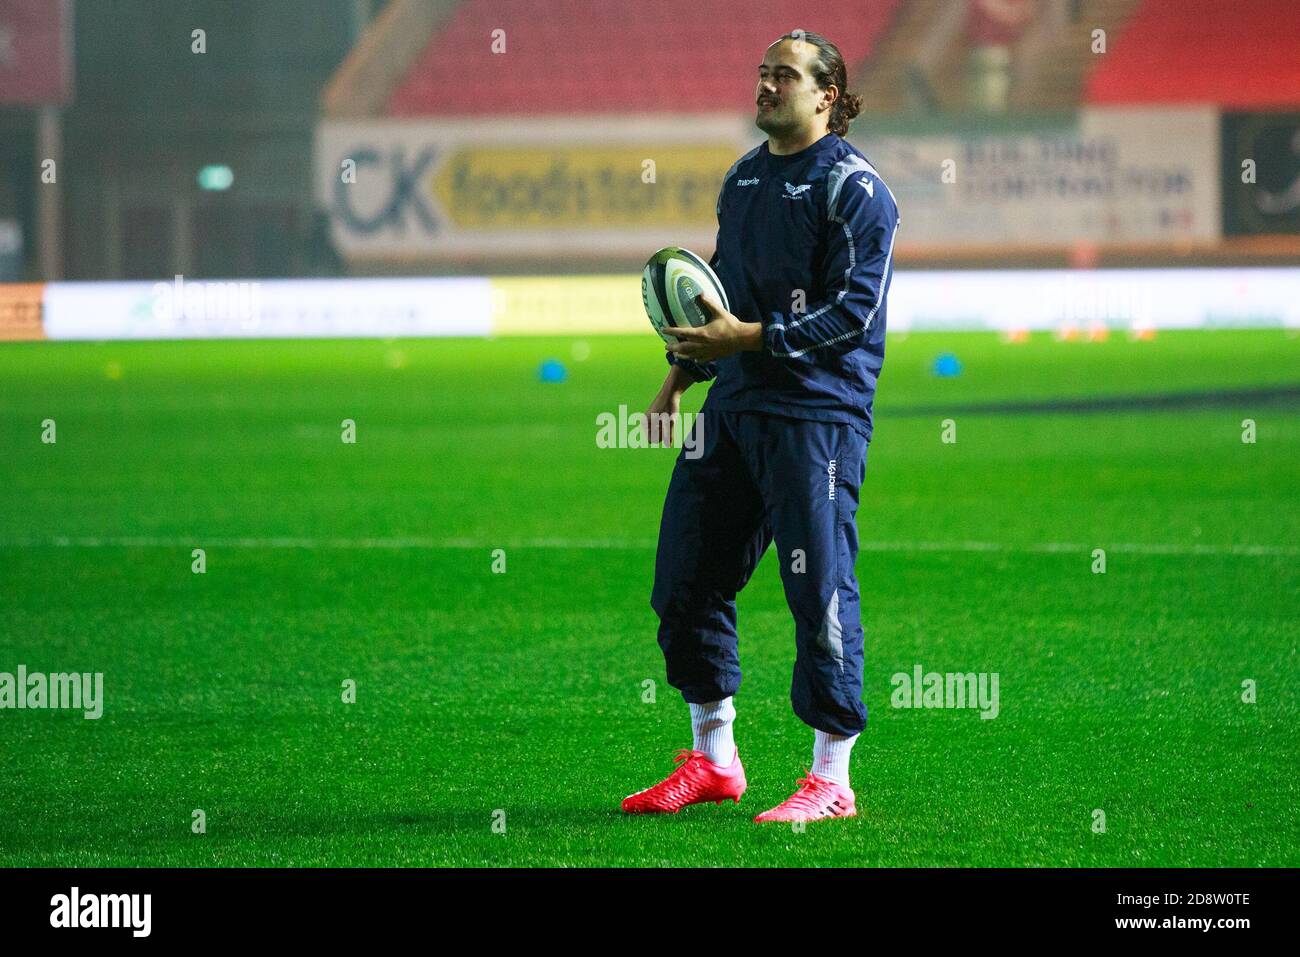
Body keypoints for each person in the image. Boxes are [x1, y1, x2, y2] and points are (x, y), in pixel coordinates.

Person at [621, 30, 900, 823]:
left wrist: (745, 337)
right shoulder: (743, 179)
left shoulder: (856, 189)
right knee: (684, 579)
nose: (767, 85)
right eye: (763, 72)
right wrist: (676, 380)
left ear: (827, 95)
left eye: (785, 75)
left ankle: (832, 779)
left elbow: (854, 315)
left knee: (819, 591)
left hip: (816, 418)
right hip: (734, 412)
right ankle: (715, 760)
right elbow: (723, 298)